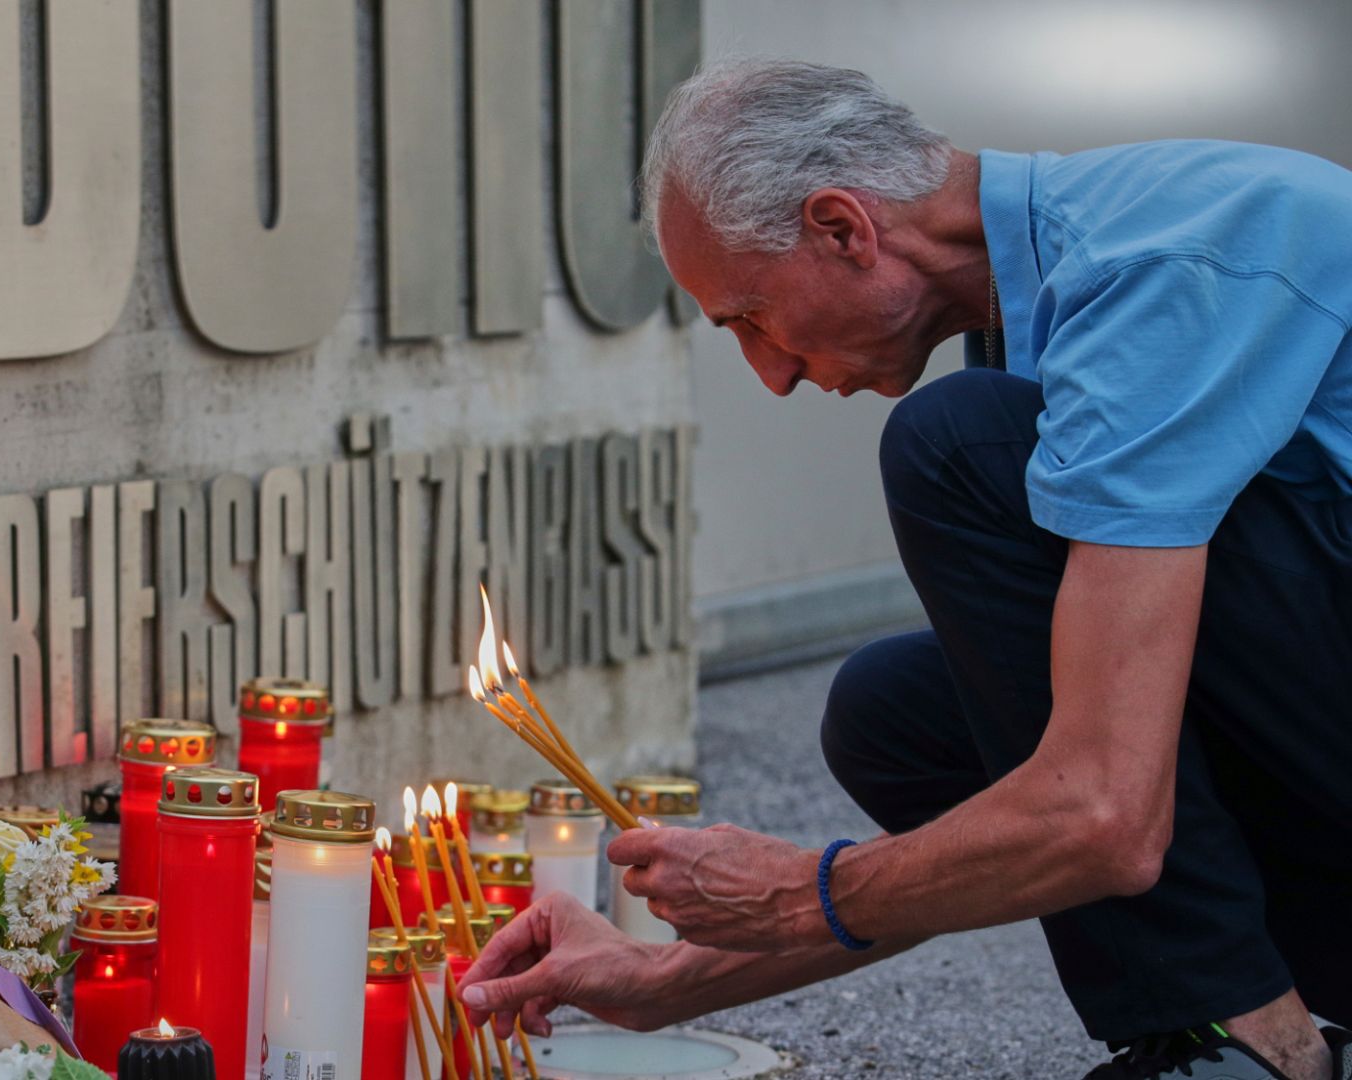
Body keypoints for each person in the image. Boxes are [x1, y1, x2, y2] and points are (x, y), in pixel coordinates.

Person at [459, 59, 1352, 1080]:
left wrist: (801, 890)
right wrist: (665, 980)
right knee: (895, 710)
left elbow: (1104, 813)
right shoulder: (1048, 312)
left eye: (749, 317)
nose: (772, 374)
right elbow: (1017, 826)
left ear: (843, 229)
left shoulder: (1157, 272)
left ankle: (1243, 1046)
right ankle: (1246, 1028)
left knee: (954, 445)